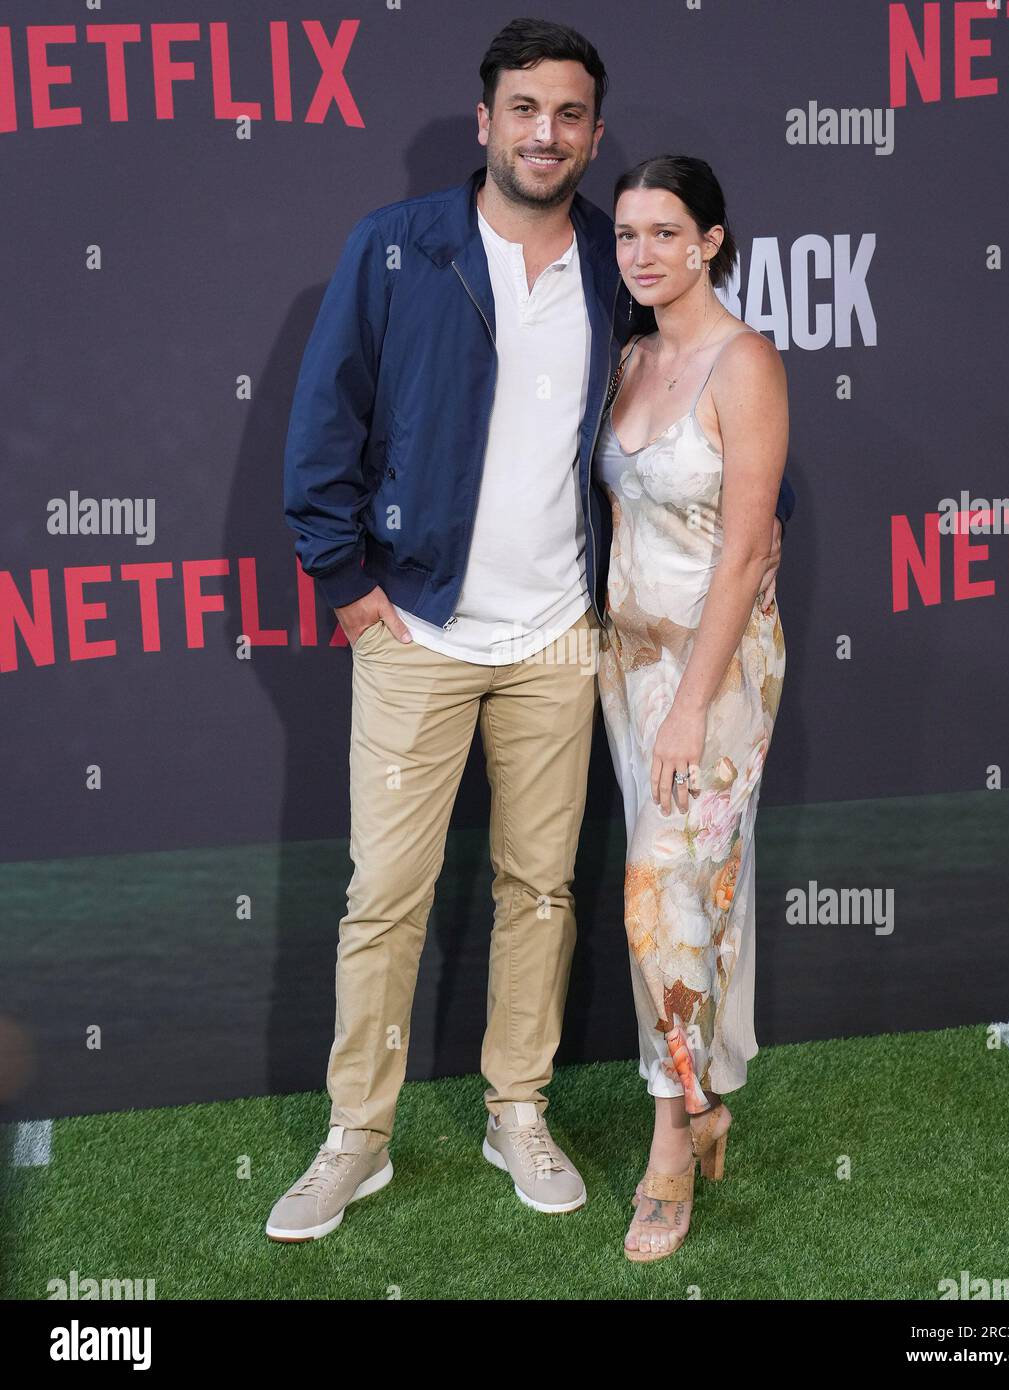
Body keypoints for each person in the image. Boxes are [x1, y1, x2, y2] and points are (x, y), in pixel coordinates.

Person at [268, 17, 794, 1242]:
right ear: (485, 120)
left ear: (592, 135)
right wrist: (349, 587)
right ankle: (357, 1134)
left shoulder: (618, 270)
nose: (544, 133)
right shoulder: (398, 250)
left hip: (565, 639)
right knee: (385, 895)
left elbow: (716, 474)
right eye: (522, 109)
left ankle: (518, 1109)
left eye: (567, 115)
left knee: (539, 893)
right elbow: (321, 425)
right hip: (419, 631)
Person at [594, 156, 788, 1261]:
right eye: (626, 234)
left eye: (666, 232)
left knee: (657, 894)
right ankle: (702, 1091)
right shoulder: (629, 356)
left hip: (709, 680)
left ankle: (674, 1138)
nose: (642, 253)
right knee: (689, 893)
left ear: (711, 240)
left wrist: (689, 705)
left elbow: (744, 549)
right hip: (624, 668)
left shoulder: (742, 361)